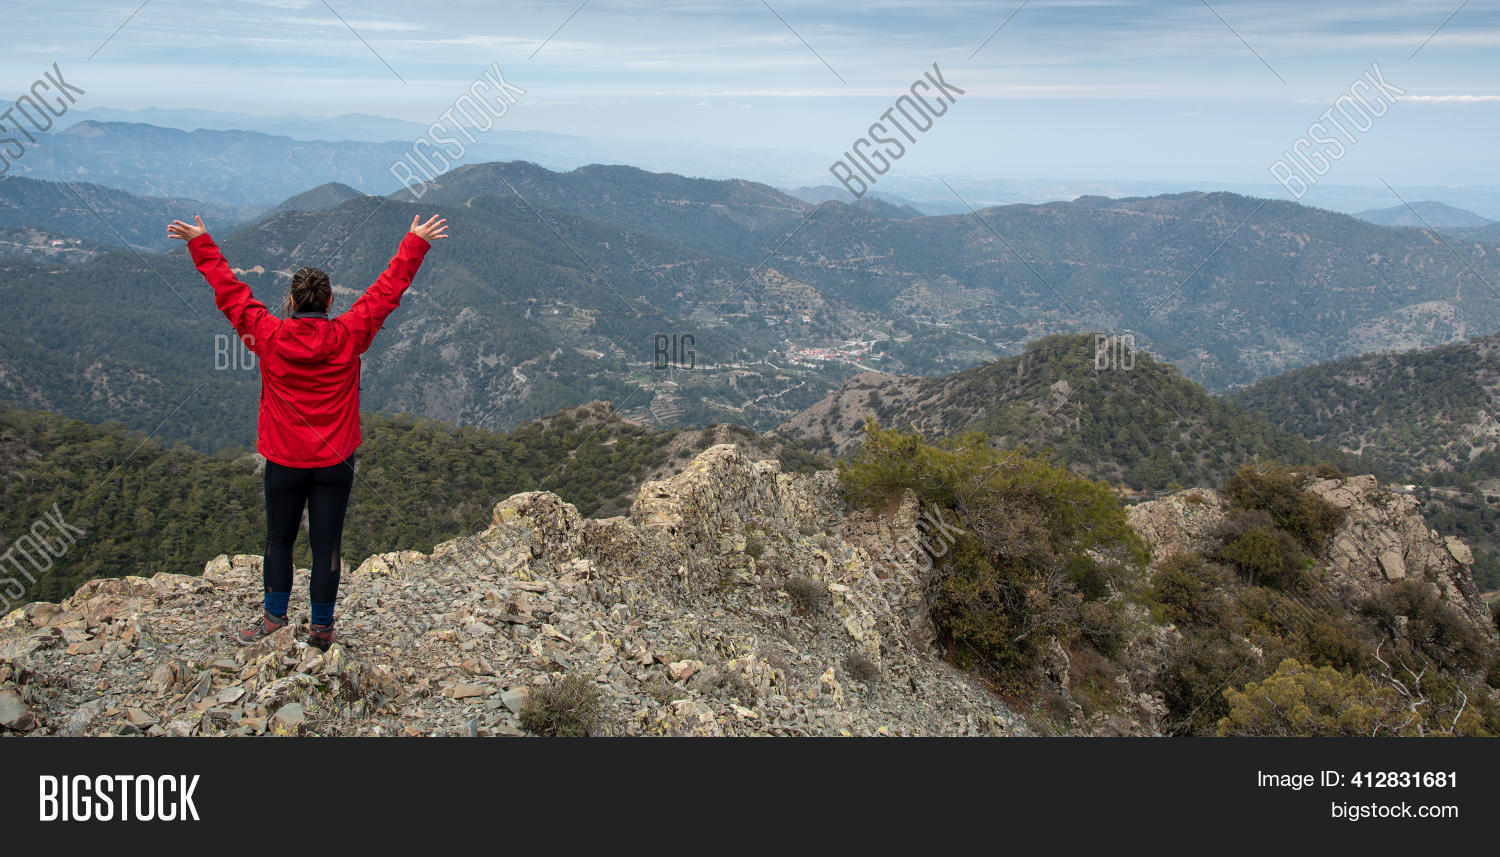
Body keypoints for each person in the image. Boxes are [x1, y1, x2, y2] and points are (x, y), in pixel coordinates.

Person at [167, 213, 448, 650]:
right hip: (336, 461)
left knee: (279, 538)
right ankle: (321, 629)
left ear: (292, 301)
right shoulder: (349, 334)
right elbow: (386, 293)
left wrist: (201, 242)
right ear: (330, 300)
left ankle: (274, 619)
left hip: (284, 460)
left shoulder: (268, 335)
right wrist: (414, 242)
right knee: (326, 546)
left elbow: (231, 295)